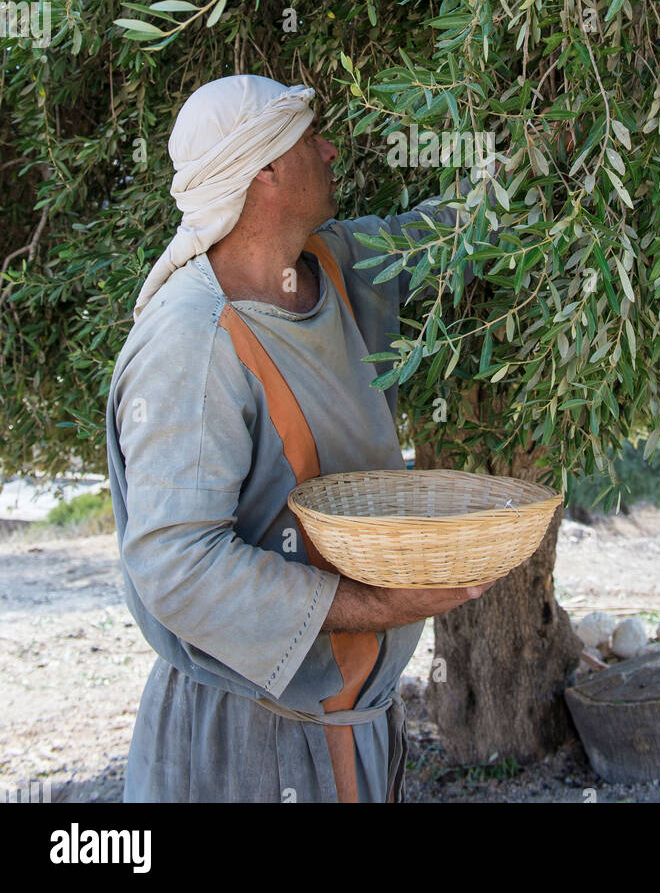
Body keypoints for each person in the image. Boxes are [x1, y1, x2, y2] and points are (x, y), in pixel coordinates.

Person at [106, 74, 500, 804]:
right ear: (264, 171)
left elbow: (438, 237)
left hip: (350, 710)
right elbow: (177, 566)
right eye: (307, 139)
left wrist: (534, 174)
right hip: (251, 737)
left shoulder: (327, 265)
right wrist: (376, 606)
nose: (330, 149)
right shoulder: (192, 342)